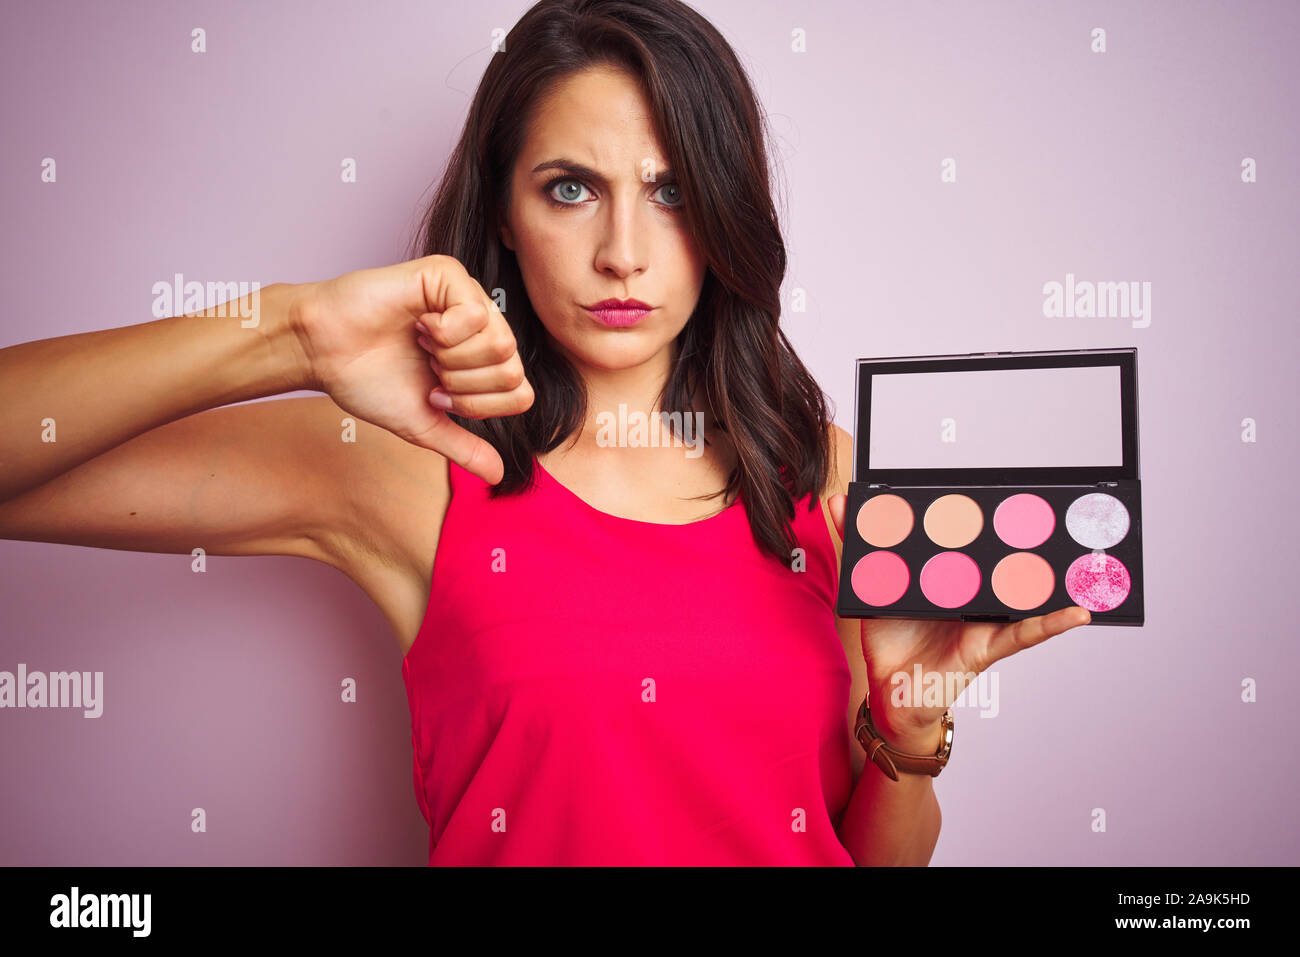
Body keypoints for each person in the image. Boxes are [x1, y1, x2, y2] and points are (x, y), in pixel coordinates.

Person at [0, 0, 1089, 866]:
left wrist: (906, 747)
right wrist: (287, 328)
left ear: (723, 217)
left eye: (670, 192)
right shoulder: (412, 467)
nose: (623, 250)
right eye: (571, 188)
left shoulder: (820, 478)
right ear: (505, 217)